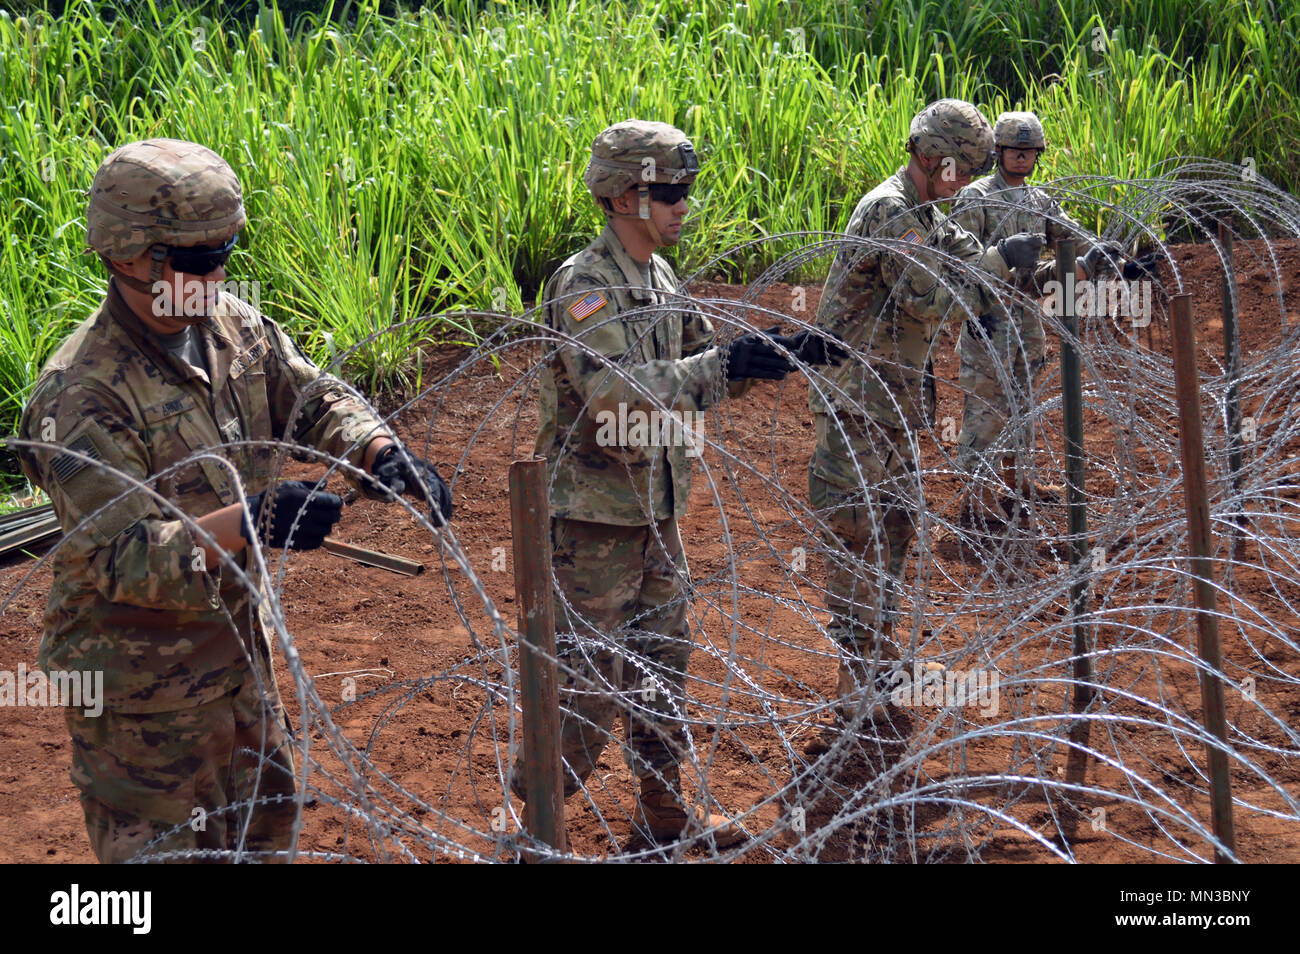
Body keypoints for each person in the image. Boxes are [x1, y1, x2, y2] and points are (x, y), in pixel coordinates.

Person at [16, 138, 452, 863]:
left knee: (265, 841)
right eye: (196, 259)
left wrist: (377, 448)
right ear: (130, 256)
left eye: (227, 251)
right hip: (140, 704)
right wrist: (254, 519)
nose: (217, 273)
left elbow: (312, 398)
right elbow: (122, 557)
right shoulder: (81, 396)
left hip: (238, 664)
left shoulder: (230, 327)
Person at [519, 119, 834, 848]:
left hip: (656, 512)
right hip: (594, 525)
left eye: (687, 191)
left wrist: (778, 355)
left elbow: (701, 367)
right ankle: (530, 825)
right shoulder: (583, 286)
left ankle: (663, 817)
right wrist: (721, 367)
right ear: (626, 196)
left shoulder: (660, 279)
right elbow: (617, 394)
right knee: (584, 694)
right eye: (670, 193)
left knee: (663, 674)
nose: (683, 206)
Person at [805, 100, 1045, 749]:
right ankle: (856, 681)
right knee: (858, 538)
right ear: (932, 157)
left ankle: (883, 663)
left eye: (972, 171)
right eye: (960, 169)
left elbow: (974, 259)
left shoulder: (930, 214)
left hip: (892, 397)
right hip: (856, 400)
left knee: (897, 526)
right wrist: (997, 264)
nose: (966, 182)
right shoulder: (890, 211)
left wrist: (1038, 264)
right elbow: (932, 295)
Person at [948, 110, 1128, 520]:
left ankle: (1015, 483)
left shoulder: (1038, 201)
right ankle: (976, 501)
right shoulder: (976, 197)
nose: (1023, 159)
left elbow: (1072, 235)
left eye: (1030, 152)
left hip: (1026, 318)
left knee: (1023, 404)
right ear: (998, 151)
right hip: (987, 318)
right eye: (1015, 150)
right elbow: (963, 264)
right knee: (986, 409)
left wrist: (1107, 252)